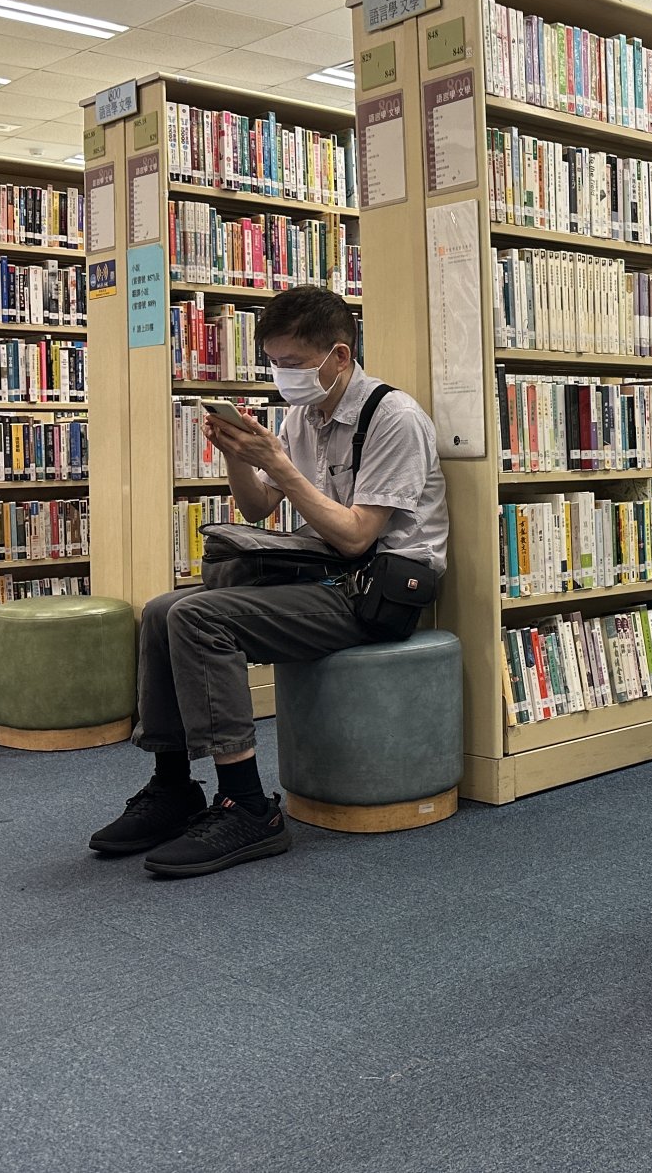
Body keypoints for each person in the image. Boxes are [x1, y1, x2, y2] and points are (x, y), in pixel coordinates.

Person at [89, 285, 449, 879]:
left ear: (339, 355)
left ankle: (248, 806)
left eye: (293, 365)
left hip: (375, 591)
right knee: (160, 609)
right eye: (275, 364)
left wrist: (280, 464)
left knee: (199, 616)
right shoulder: (302, 417)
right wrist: (238, 454)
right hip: (321, 573)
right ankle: (172, 785)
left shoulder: (394, 418)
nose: (282, 376)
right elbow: (258, 509)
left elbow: (359, 536)